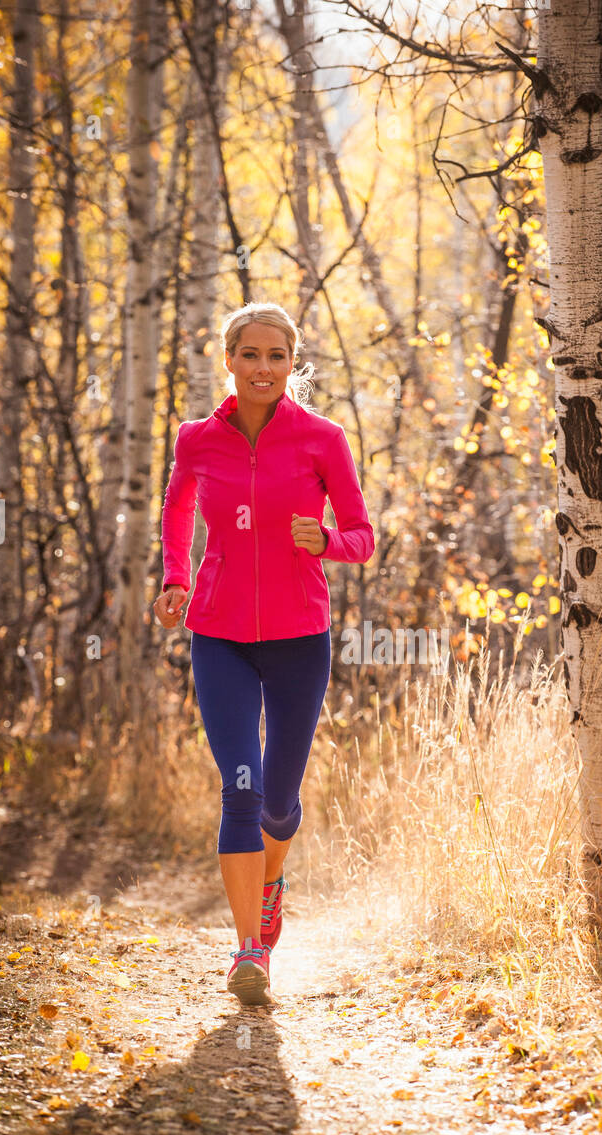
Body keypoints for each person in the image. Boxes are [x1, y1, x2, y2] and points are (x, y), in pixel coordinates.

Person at [153, 302, 375, 1005]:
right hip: (219, 635)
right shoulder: (197, 439)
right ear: (229, 359)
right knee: (241, 789)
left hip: (298, 639)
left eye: (276, 356)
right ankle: (250, 950)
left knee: (279, 802)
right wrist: (176, 580)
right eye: (249, 354)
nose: (263, 368)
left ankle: (272, 882)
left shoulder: (323, 439)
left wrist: (329, 543)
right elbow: (178, 510)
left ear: (292, 362)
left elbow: (363, 535)